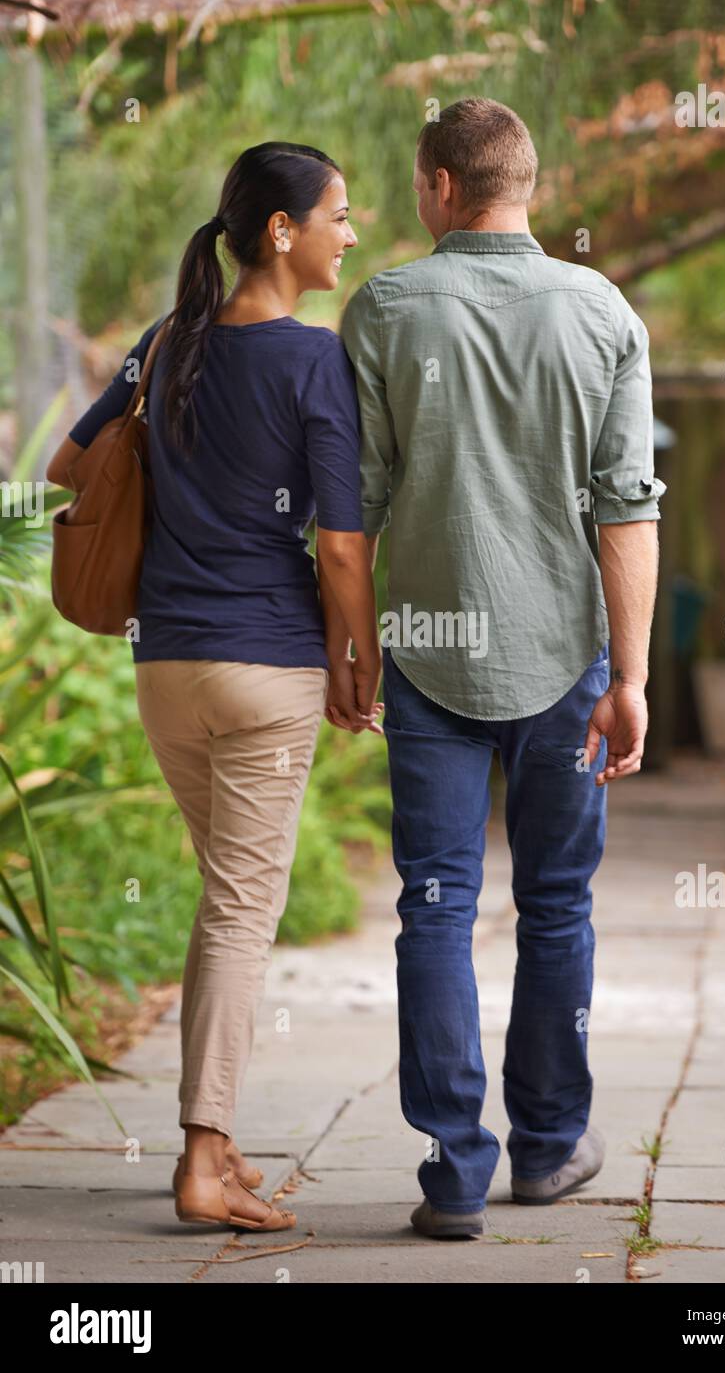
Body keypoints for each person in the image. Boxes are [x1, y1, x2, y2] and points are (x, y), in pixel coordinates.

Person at [339, 98, 666, 1239]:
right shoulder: (601, 310)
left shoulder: (382, 308)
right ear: (528, 183)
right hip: (566, 657)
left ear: (437, 184)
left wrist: (354, 644)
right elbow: (628, 512)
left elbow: (355, 508)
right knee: (557, 907)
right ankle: (546, 1146)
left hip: (425, 657)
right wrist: (629, 678)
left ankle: (453, 1176)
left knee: (433, 907)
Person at [47, 141, 382, 1232]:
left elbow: (68, 463)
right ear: (280, 231)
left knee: (221, 904)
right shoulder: (312, 359)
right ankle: (200, 1161)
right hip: (265, 668)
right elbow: (339, 545)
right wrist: (358, 657)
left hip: (166, 667)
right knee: (243, 913)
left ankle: (218, 1142)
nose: (353, 227)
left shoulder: (167, 343)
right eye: (337, 212)